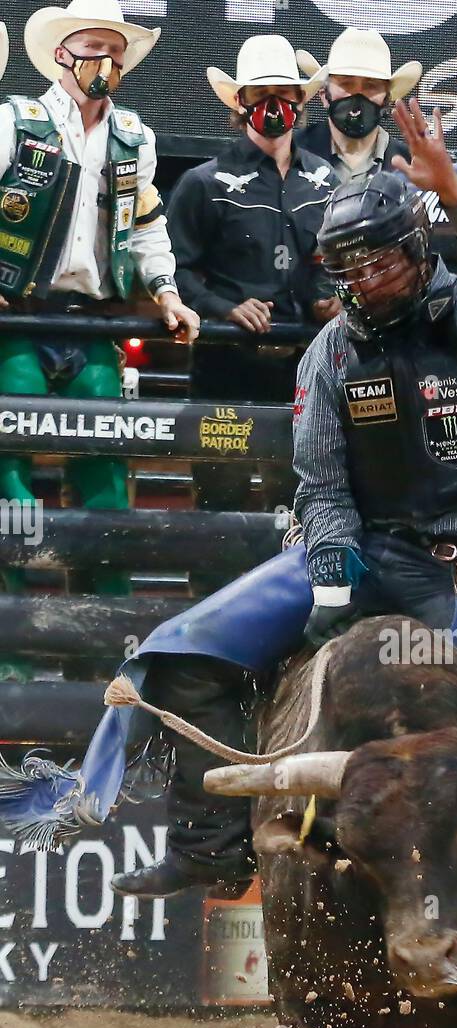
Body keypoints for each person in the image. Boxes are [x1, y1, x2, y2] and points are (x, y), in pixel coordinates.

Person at [110, 100, 457, 1019]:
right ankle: (212, 840)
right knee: (181, 651)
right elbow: (320, 486)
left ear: (418, 251)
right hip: (374, 549)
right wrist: (330, 584)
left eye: (384, 257)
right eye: (349, 265)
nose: (368, 276)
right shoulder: (327, 355)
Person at [0, 0, 198, 653]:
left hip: (93, 323)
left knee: (107, 475)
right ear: (61, 55)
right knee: (9, 477)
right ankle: (14, 651)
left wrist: (167, 293)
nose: (104, 61)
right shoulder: (16, 123)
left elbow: (147, 227)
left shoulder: (134, 137)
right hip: (20, 318)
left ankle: (104, 643)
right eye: (91, 47)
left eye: (113, 51)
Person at [166, 34, 340, 546]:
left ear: (301, 101)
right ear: (240, 103)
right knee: (222, 501)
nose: (274, 106)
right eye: (260, 94)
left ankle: (296, 615)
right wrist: (223, 307)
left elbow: (331, 265)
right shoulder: (205, 182)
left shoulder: (326, 183)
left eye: (285, 94)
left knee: (303, 498)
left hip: (304, 371)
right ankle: (210, 611)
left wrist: (326, 296)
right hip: (226, 368)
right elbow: (173, 270)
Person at [294, 27, 418, 185]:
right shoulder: (290, 154)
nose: (357, 95)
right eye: (346, 83)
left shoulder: (410, 166)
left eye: (371, 86)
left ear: (387, 101)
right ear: (324, 95)